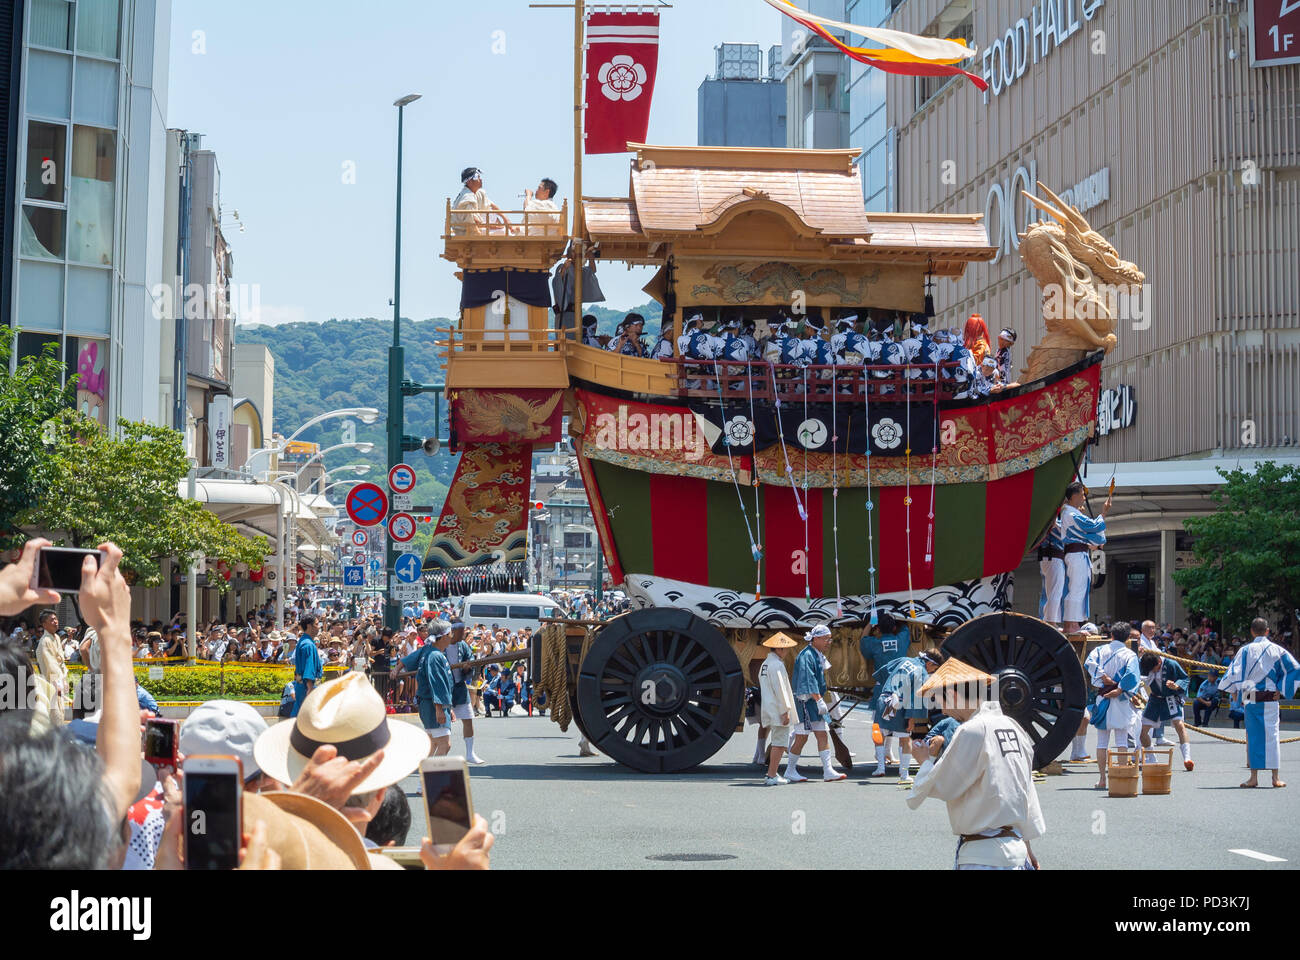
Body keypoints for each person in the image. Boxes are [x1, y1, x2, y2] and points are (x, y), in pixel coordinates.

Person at [906, 658, 1044, 870]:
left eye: (940, 700)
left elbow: (945, 786)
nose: (942, 710)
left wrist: (925, 761)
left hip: (982, 855)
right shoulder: (1013, 726)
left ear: (952, 695)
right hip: (1015, 848)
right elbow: (1023, 790)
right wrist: (1028, 847)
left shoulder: (972, 730)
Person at [1220, 618, 1300, 788]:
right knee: (1273, 735)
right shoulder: (1277, 650)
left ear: (1251, 631)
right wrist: (1282, 688)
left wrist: (1236, 690)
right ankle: (1275, 778)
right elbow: (1295, 668)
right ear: (1267, 631)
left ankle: (1253, 777)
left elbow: (1234, 672)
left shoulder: (1244, 650)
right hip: (1271, 697)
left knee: (1254, 736)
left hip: (1251, 697)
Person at [1083, 621, 1143, 790]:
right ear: (1127, 637)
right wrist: (1119, 689)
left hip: (1103, 696)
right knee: (1122, 740)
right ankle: (1121, 777)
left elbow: (1089, 663)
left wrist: (1102, 677)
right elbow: (1132, 675)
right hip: (1121, 699)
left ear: (1112, 635)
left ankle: (1102, 779)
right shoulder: (1130, 655)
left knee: (1102, 741)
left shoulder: (1100, 650)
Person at [784, 625, 847, 783]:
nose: (828, 642)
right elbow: (809, 680)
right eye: (826, 639)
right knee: (801, 737)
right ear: (816, 639)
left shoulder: (816, 653)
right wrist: (819, 700)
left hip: (815, 701)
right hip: (806, 702)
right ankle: (790, 770)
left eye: (829, 639)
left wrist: (819, 700)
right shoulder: (806, 655)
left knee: (823, 734)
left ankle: (828, 770)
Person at [1059, 481, 1111, 635]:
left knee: (1079, 589)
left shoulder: (1071, 513)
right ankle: (1070, 625)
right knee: (1076, 589)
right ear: (1074, 495)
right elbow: (1094, 527)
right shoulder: (1070, 513)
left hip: (1079, 553)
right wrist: (1104, 512)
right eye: (1082, 494)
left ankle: (1072, 624)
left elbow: (1096, 537)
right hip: (1076, 554)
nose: (1084, 498)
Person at [1138, 652, 1193, 771]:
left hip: (1171, 698)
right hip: (1155, 699)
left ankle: (1187, 758)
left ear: (1159, 662)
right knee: (1142, 732)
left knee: (1179, 725)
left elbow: (1185, 678)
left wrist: (1176, 686)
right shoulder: (1146, 665)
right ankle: (1152, 759)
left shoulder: (1171, 664)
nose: (1152, 672)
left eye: (1154, 669)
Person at [444, 619, 485, 765]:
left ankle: (470, 753)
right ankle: (439, 755)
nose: (463, 634)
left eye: (464, 631)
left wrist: (467, 668)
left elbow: (470, 663)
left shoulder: (464, 646)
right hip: (443, 689)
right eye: (461, 631)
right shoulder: (440, 645)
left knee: (468, 719)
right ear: (452, 631)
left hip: (460, 687)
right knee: (441, 725)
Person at [758, 632, 797, 785]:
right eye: (785, 649)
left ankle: (772, 774)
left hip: (769, 705)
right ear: (779, 649)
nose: (787, 652)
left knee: (778, 741)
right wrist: (785, 710)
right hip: (777, 708)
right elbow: (781, 690)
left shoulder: (766, 664)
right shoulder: (777, 665)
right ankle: (772, 774)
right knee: (780, 742)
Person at [451, 166, 512, 235]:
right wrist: (495, 227)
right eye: (477, 177)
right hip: (467, 231)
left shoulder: (477, 193)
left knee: (491, 214)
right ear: (469, 182)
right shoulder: (467, 197)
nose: (481, 179)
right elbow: (473, 220)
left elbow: (491, 205)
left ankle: (508, 229)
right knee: (503, 231)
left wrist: (505, 219)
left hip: (477, 226)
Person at [34, 609, 68, 726]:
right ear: (44, 624)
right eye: (52, 620)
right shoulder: (45, 641)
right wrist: (57, 683)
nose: (55, 622)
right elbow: (51, 666)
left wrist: (64, 680)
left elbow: (61, 662)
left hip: (59, 680)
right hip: (51, 683)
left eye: (56, 619)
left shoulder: (57, 638)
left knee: (61, 712)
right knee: (55, 716)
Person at [1037, 514, 1066, 630]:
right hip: (1052, 556)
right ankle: (1050, 622)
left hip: (1050, 556)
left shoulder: (1053, 517)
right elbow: (1062, 531)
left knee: (1052, 592)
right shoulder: (1052, 518)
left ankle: (1049, 621)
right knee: (1054, 592)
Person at [292, 615, 324, 717]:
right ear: (309, 626)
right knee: (305, 716)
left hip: (301, 685)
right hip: (307, 686)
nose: (318, 627)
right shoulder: (308, 645)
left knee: (300, 712)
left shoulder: (304, 641)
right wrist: (310, 688)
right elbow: (308, 667)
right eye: (316, 624)